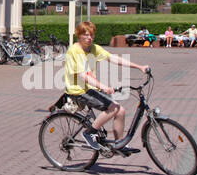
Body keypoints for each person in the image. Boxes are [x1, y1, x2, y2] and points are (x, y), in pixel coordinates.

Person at [63, 21, 149, 151]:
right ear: (78, 35)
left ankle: (119, 144)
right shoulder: (75, 50)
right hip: (78, 90)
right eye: (85, 35)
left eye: (91, 35)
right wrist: (103, 87)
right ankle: (89, 132)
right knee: (113, 108)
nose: (89, 38)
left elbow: (113, 58)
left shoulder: (94, 48)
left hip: (90, 88)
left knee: (121, 111)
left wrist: (139, 67)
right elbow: (83, 75)